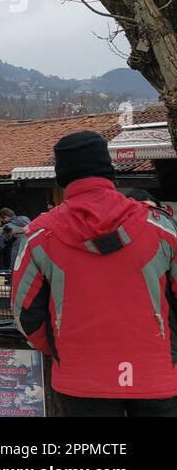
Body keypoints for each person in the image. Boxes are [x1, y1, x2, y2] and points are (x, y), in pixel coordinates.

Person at [13, 131, 177, 416]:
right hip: (155, 371)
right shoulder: (160, 227)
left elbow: (24, 313)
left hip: (81, 376)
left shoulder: (39, 236)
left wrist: (58, 347)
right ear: (107, 168)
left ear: (62, 175)